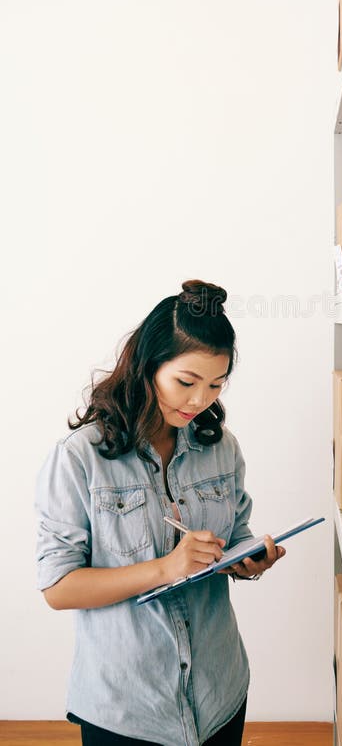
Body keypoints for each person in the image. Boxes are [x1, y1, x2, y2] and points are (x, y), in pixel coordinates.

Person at [34, 279, 285, 746]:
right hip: (127, 708)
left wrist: (247, 559)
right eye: (186, 382)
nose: (199, 400)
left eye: (216, 384)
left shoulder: (221, 448)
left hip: (219, 691)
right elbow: (58, 587)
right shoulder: (80, 458)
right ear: (147, 367)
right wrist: (167, 568)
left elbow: (236, 535)